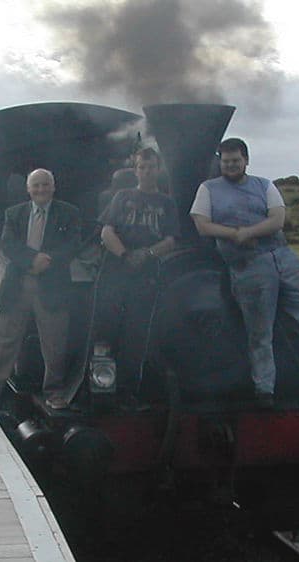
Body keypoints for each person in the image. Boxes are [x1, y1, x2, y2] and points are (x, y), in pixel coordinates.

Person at [189, 138, 299, 407]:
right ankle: (264, 388)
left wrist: (248, 232)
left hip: (282, 256)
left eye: (236, 161)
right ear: (220, 162)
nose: (231, 165)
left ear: (246, 160)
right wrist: (234, 234)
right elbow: (202, 225)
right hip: (247, 263)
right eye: (226, 161)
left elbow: (277, 219)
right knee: (259, 328)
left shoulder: (265, 185)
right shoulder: (208, 189)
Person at [0, 169, 82, 410]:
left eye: (45, 185)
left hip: (52, 284)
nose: (41, 190)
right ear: (28, 189)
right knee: (3, 337)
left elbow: (73, 245)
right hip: (19, 282)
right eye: (36, 186)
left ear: (53, 187)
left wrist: (48, 260)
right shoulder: (14, 213)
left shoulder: (69, 213)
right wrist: (32, 260)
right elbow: (8, 244)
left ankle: (54, 392)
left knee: (54, 342)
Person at [96, 148, 178, 398]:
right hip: (115, 269)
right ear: (135, 170)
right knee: (106, 326)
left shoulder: (167, 202)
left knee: (138, 332)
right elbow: (106, 231)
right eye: (142, 167)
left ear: (158, 169)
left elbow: (171, 240)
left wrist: (147, 254)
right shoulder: (122, 196)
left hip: (147, 272)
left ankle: (129, 388)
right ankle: (100, 383)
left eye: (151, 167)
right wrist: (125, 255)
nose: (146, 171)